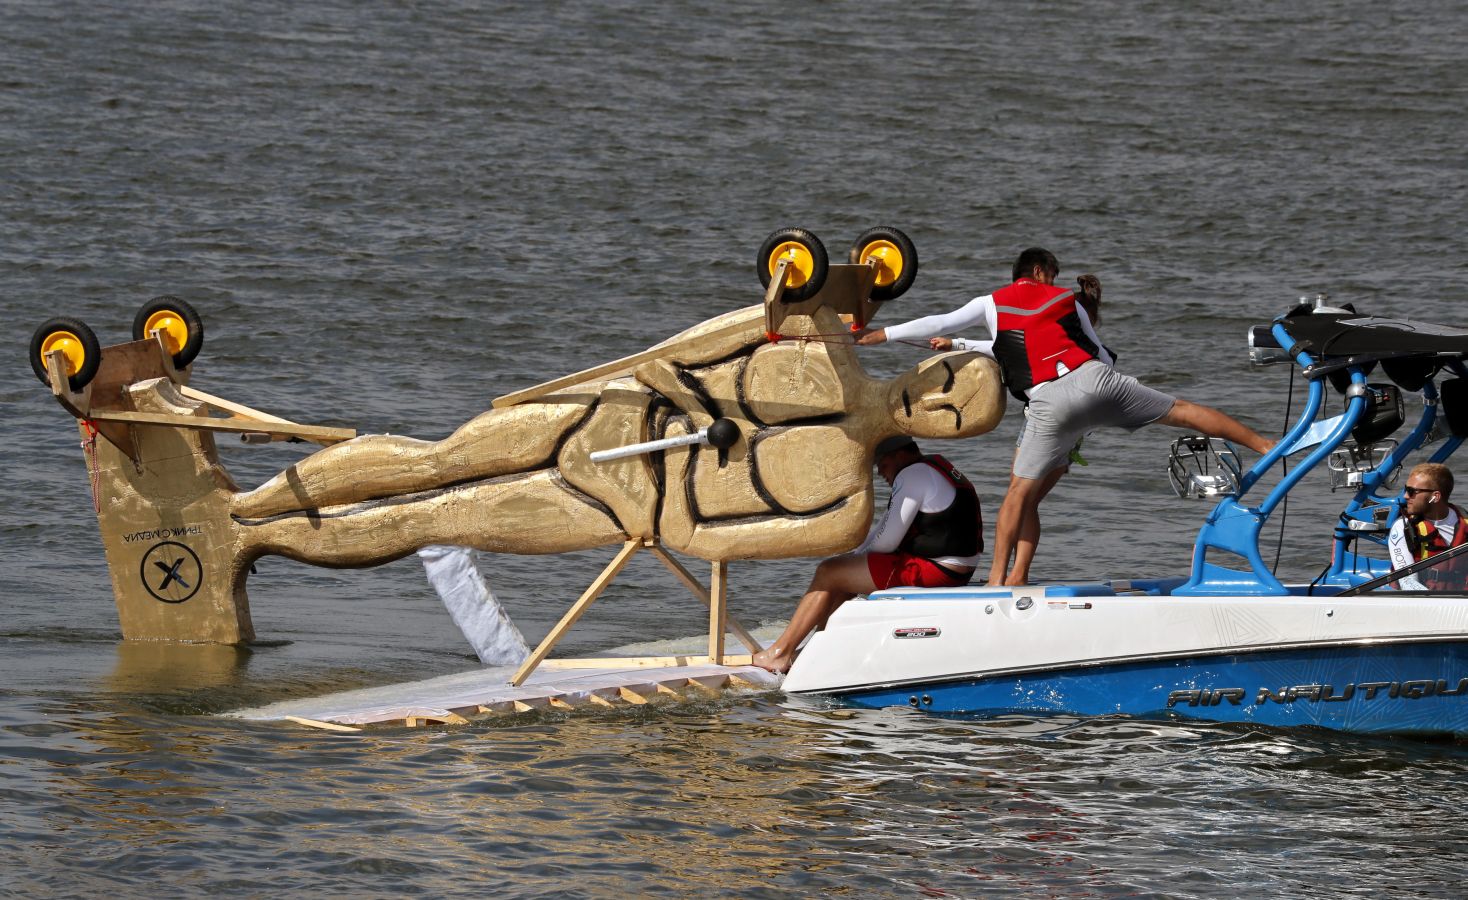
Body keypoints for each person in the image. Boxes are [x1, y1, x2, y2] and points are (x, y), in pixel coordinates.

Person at [229, 304, 1007, 568]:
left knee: (432, 518)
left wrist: (666, 510)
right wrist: (682, 399)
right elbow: (674, 352)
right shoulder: (815, 336)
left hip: (619, 503)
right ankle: (245, 506)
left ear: (954, 435)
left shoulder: (840, 510)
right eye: (950, 379)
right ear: (931, 361)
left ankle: (251, 542)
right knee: (430, 459)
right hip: (608, 417)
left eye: (956, 415)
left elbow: (714, 543)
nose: (936, 402)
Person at [856, 247, 1273, 587]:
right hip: (1099, 385)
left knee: (1019, 494)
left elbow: (942, 320)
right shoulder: (1066, 301)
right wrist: (961, 343)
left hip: (1051, 405)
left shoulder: (992, 302)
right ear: (1040, 272)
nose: (1052, 284)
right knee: (1182, 411)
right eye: (1051, 276)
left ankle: (1000, 581)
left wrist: (884, 335)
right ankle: (1265, 445)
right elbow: (1101, 355)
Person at [751, 435, 983, 673]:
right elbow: (884, 528)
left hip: (936, 571)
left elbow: (887, 542)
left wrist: (849, 565)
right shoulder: (936, 465)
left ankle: (780, 653)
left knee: (827, 572)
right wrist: (852, 563)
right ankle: (814, 650)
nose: (880, 473)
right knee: (841, 573)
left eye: (881, 464)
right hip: (956, 568)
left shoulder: (912, 475)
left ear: (899, 455)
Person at [1386, 463, 1468, 590]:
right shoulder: (1402, 527)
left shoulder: (1465, 523)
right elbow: (1407, 582)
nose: (1406, 496)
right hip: (1417, 603)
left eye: (1412, 491)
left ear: (1435, 497)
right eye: (1406, 489)